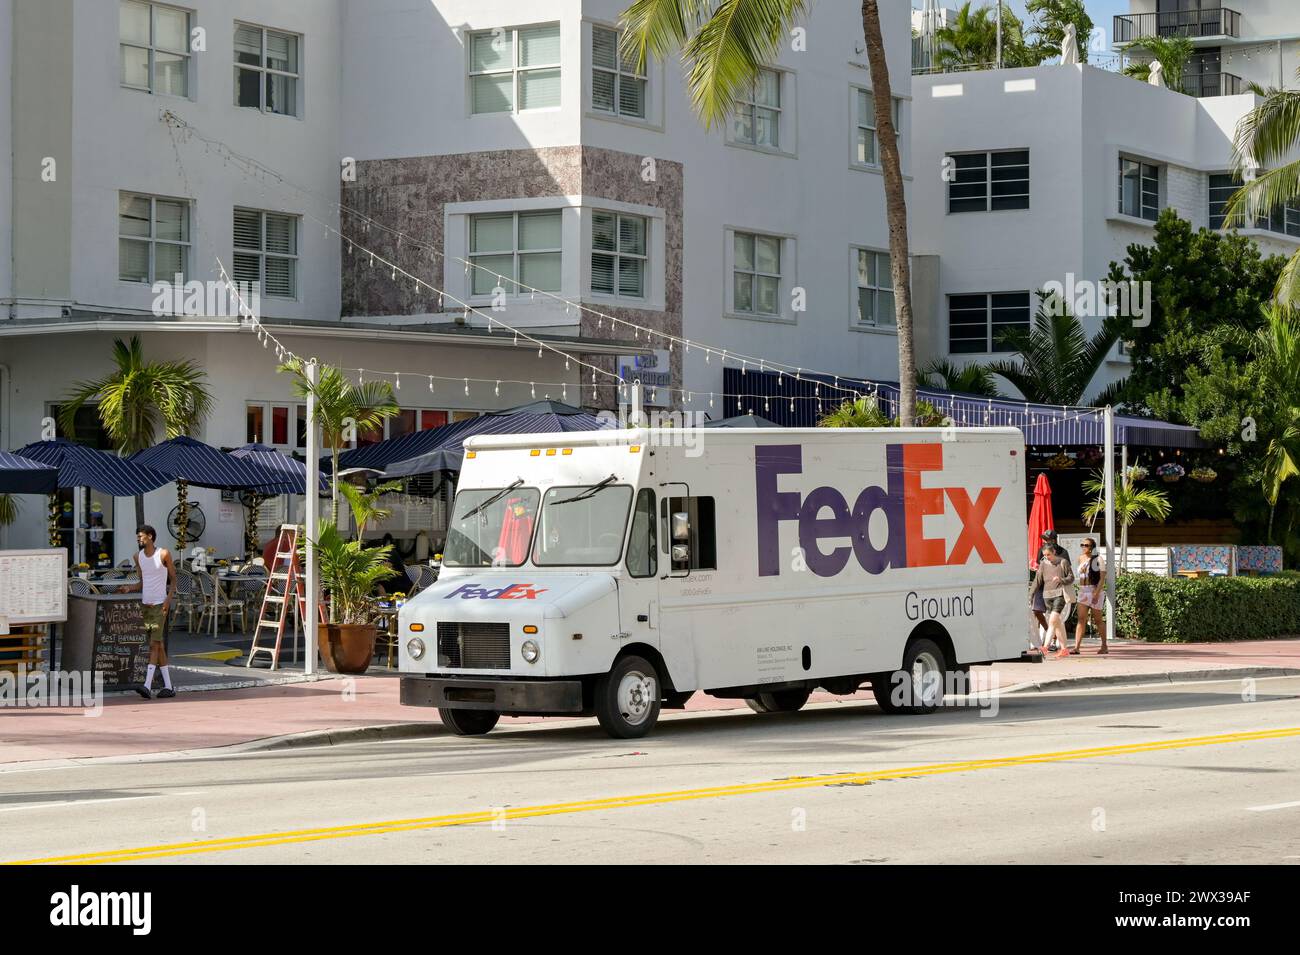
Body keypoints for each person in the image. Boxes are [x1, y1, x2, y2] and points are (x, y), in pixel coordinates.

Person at [126, 525, 178, 699]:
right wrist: (128, 588)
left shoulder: (163, 554)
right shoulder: (138, 557)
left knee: (153, 644)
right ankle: (169, 687)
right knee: (159, 644)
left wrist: (167, 601)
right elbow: (142, 582)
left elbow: (174, 578)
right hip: (146, 605)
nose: (138, 539)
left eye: (141, 536)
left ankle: (147, 685)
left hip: (159, 605)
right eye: (137, 536)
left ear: (150, 536)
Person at [1030, 542, 1074, 659]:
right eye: (1044, 555)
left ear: (1054, 552)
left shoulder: (1063, 562)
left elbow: (1071, 577)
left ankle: (1045, 647)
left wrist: (1061, 579)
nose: (1046, 557)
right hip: (1047, 596)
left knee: (1052, 621)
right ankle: (1064, 649)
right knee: (1057, 623)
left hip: (1059, 595)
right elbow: (1037, 581)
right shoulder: (1043, 564)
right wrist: (1030, 595)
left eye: (1048, 554)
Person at [1073, 538, 1108, 655]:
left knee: (1097, 620)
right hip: (1083, 591)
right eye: (1082, 545)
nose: (1084, 547)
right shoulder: (1080, 558)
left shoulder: (1098, 559)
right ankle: (1077, 647)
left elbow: (1102, 577)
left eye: (1086, 545)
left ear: (1092, 547)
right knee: (1081, 619)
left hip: (1094, 590)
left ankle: (1104, 646)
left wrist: (1096, 593)